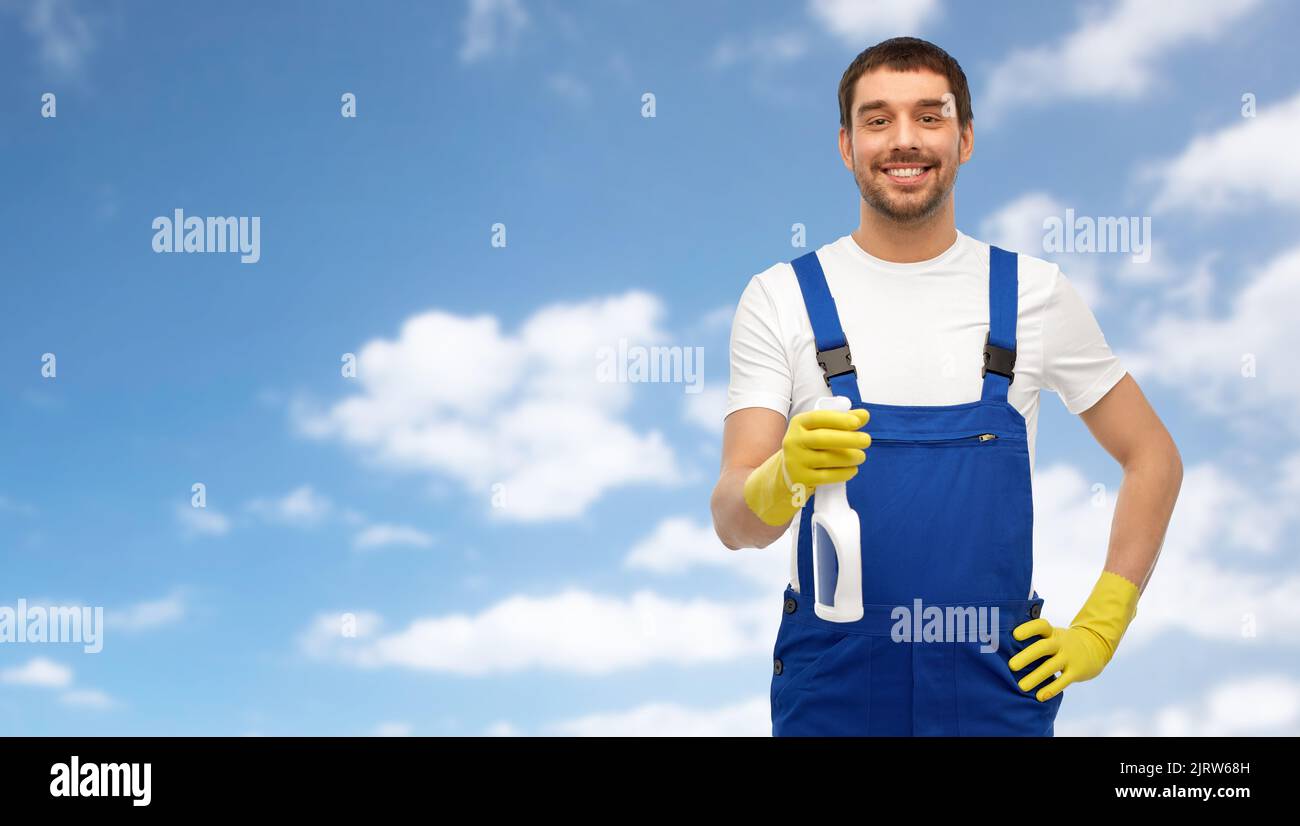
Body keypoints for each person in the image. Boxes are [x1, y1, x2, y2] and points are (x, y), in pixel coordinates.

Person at [710, 37, 1183, 736]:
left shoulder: (1033, 294)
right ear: (846, 145)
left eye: (929, 118)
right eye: (877, 120)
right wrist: (781, 478)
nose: (904, 140)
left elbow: (1153, 457)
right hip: (833, 682)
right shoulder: (779, 298)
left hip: (994, 677)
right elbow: (733, 522)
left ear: (964, 139)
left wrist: (1101, 626)